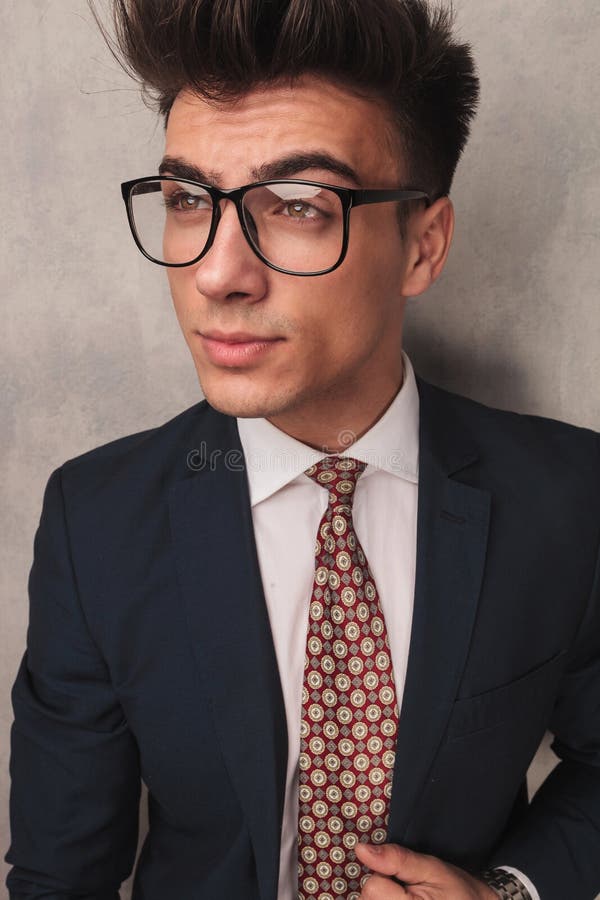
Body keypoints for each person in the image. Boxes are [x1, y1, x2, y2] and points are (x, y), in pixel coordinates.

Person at [5, 0, 600, 898]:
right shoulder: (98, 523)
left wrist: (509, 891)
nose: (215, 273)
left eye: (296, 206)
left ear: (423, 246)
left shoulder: (567, 497)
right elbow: (60, 875)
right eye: (187, 200)